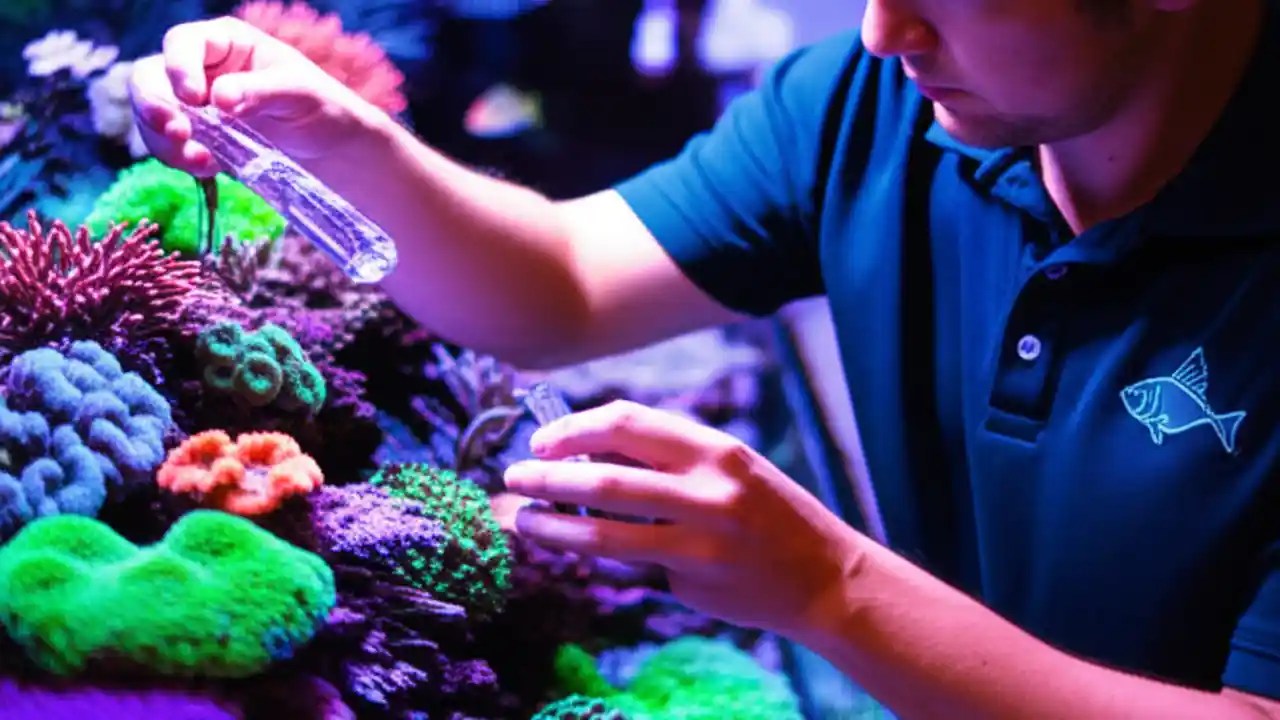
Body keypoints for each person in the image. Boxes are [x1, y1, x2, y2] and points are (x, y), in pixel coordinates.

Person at [129, 0, 1280, 716]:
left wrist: (829, 590)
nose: (884, 30)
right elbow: (558, 283)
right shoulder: (866, 104)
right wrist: (338, 137)